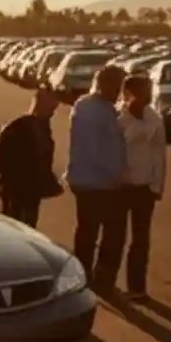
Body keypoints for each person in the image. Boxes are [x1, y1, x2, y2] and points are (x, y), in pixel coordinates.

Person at [65, 65, 128, 290]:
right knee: (110, 232)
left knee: (87, 231)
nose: (120, 92)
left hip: (86, 179)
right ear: (107, 85)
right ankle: (100, 277)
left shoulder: (88, 106)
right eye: (118, 86)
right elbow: (95, 149)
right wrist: (116, 174)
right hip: (98, 182)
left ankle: (86, 274)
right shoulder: (95, 110)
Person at [117, 75, 167, 302]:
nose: (148, 94)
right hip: (119, 186)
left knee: (141, 239)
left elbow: (159, 155)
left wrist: (157, 185)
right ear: (129, 92)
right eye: (143, 90)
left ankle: (137, 287)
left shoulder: (154, 118)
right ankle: (106, 282)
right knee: (115, 236)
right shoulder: (118, 117)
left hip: (144, 187)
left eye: (149, 89)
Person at [0, 86, 62, 226]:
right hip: (17, 193)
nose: (53, 113)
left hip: (30, 193)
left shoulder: (41, 128)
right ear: (39, 104)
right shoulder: (18, 128)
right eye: (51, 108)